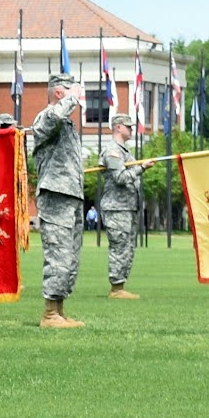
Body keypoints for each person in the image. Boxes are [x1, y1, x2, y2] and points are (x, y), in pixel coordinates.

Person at [29, 85, 89, 328]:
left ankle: (60, 310)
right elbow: (54, 117)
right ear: (58, 93)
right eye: (70, 88)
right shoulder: (47, 116)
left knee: (71, 257)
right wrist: (72, 96)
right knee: (58, 255)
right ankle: (49, 314)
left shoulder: (68, 126)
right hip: (55, 194)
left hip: (71, 195)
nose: (78, 92)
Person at [91, 112, 148, 300]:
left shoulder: (125, 152)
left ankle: (121, 286)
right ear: (118, 127)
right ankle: (116, 288)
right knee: (119, 247)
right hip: (117, 208)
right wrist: (142, 168)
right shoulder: (113, 151)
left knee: (128, 248)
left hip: (128, 207)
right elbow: (120, 178)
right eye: (128, 126)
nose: (131, 129)